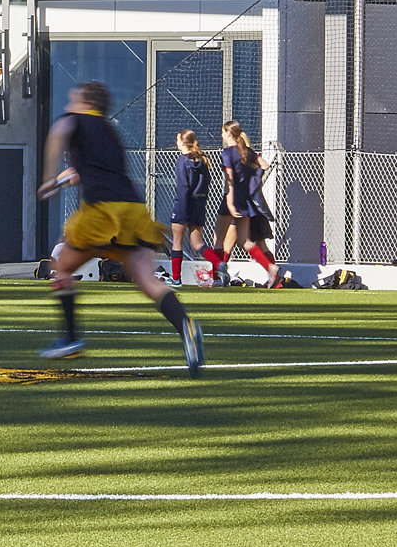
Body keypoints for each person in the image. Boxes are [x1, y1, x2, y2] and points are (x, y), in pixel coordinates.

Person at [36, 81, 203, 368]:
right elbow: (79, 171)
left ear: (87, 103)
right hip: (133, 211)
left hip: (102, 211)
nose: (69, 106)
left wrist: (47, 178)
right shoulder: (108, 131)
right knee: (149, 282)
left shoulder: (76, 120)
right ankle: (186, 325)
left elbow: (58, 132)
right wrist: (58, 183)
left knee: (60, 267)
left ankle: (71, 340)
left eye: (73, 100)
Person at [215, 120, 285, 287]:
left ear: (229, 133)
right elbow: (265, 165)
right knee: (246, 241)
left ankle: (216, 277)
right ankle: (270, 267)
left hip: (232, 199)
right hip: (246, 201)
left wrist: (230, 203)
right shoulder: (247, 151)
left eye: (223, 132)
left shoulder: (227, 153)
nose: (222, 135)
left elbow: (229, 179)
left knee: (218, 239)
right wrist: (254, 179)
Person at [168, 129, 213, 286]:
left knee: (177, 242)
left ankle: (176, 278)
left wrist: (182, 209)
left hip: (183, 205)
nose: (176, 143)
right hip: (198, 205)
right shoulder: (202, 161)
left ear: (183, 142)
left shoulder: (182, 161)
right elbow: (206, 184)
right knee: (197, 243)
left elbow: (183, 187)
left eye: (178, 140)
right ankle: (218, 264)